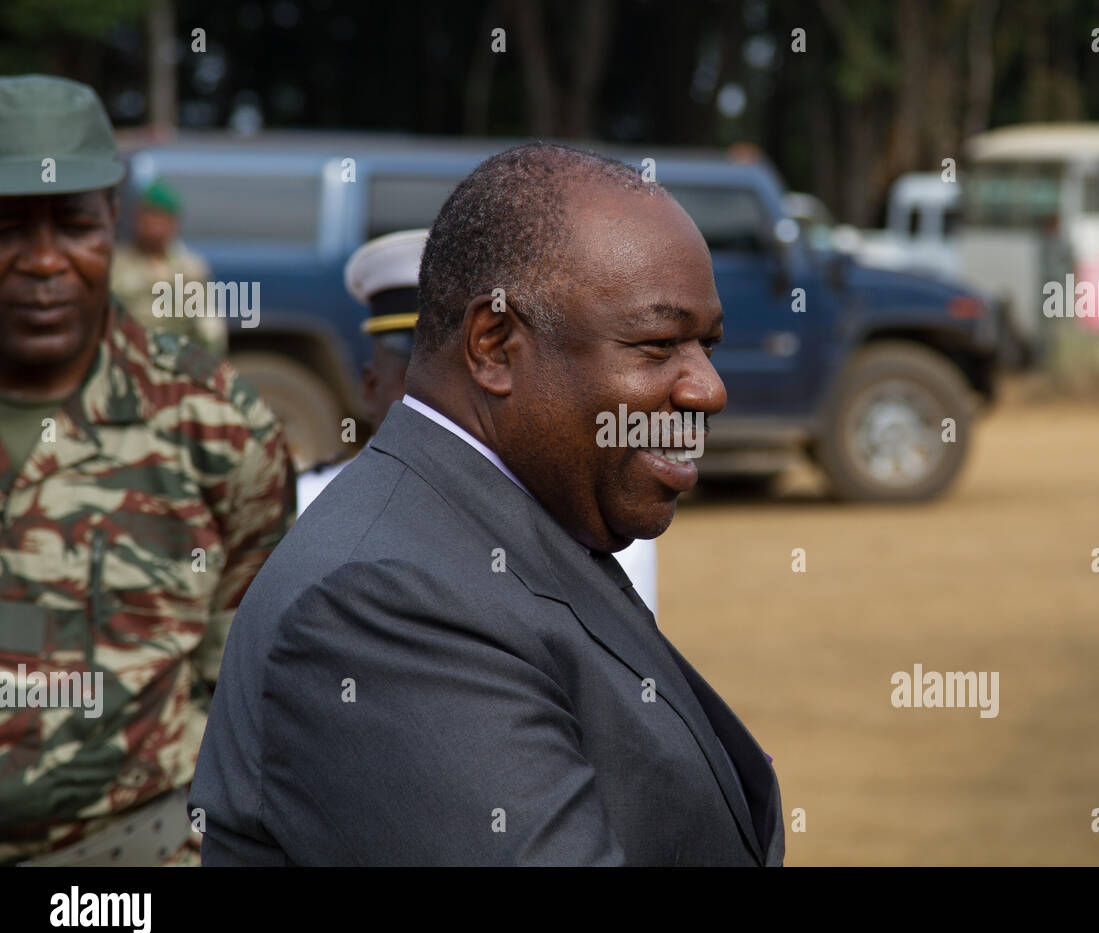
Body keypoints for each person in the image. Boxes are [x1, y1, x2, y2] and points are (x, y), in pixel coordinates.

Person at [192, 143, 783, 865]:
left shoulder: (520, 522)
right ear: (494, 346)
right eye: (659, 345)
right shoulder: (380, 607)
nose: (707, 390)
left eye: (708, 346)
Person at [0, 75, 293, 866]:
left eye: (72, 226)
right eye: (6, 227)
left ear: (112, 225)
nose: (42, 262)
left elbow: (253, 674)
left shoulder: (213, 423)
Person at [299, 228, 661, 612]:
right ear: (370, 388)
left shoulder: (588, 515)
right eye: (416, 371)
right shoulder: (306, 504)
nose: (447, 401)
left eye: (484, 368)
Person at [110, 177, 226, 355]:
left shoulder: (189, 268)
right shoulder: (115, 264)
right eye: (148, 218)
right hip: (124, 358)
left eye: (161, 219)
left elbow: (208, 326)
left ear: (174, 223)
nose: (154, 227)